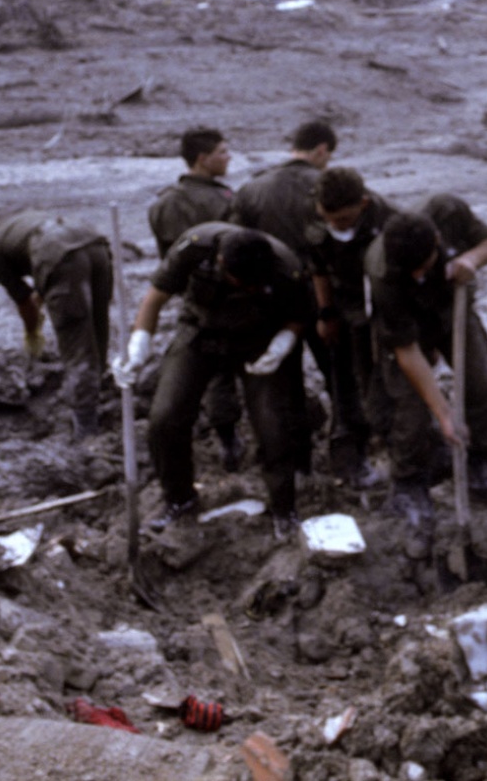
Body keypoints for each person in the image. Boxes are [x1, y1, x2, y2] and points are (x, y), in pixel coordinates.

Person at [121, 224, 314, 535]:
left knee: (274, 425)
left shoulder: (285, 267)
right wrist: (139, 344)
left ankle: (284, 509)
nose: (249, 289)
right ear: (222, 263)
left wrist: (282, 344)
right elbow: (155, 297)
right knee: (165, 416)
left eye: (255, 285)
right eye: (242, 283)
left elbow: (299, 315)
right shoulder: (195, 248)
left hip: (257, 340)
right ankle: (179, 499)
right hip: (200, 333)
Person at [232, 120, 371, 480]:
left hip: (272, 303)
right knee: (341, 380)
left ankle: (295, 464)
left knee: (282, 385)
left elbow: (235, 246)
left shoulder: (251, 189)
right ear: (321, 150)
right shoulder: (329, 189)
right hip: (327, 302)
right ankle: (350, 463)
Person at [365, 196, 487, 526]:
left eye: (423, 266)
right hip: (407, 324)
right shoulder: (382, 270)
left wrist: (471, 260)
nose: (417, 274)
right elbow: (407, 351)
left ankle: (479, 466)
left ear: (438, 242)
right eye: (409, 270)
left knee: (480, 387)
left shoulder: (449, 212)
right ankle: (408, 484)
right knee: (410, 406)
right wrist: (443, 413)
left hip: (451, 310)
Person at [148, 127, 247, 471]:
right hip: (236, 299)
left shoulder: (162, 204)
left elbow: (168, 264)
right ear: (203, 159)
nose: (228, 156)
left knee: (213, 371)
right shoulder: (225, 202)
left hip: (193, 302)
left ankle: (227, 437)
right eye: (222, 151)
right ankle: (240, 441)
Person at [0, 209, 114, 439]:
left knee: (76, 342)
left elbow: (25, 300)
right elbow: (45, 279)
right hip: (92, 241)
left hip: (57, 252)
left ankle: (86, 429)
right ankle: (102, 390)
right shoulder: (21, 221)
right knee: (97, 328)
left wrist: (32, 332)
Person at [306, 166, 397, 479]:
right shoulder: (314, 212)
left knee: (380, 382)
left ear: (363, 204)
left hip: (382, 305)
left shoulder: (390, 223)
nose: (334, 225)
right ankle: (350, 451)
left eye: (343, 220)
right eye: (328, 218)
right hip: (342, 303)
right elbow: (317, 265)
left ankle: (393, 444)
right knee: (342, 379)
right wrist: (326, 313)